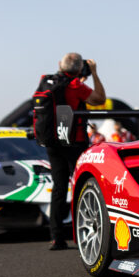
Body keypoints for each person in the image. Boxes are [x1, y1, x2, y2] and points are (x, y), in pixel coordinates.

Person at [47, 52, 106, 250]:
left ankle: (56, 237)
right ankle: (83, 231)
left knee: (59, 188)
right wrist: (95, 74)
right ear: (80, 69)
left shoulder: (48, 82)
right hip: (74, 141)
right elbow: (99, 99)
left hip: (53, 142)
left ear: (59, 65)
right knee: (82, 185)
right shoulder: (75, 86)